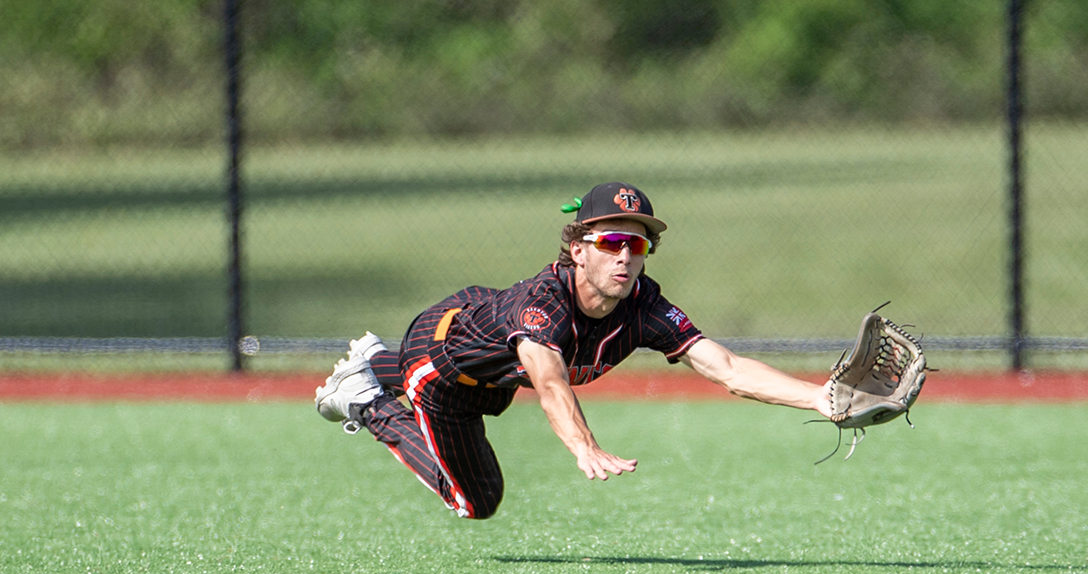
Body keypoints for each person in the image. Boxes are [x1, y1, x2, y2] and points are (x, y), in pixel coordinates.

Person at [315, 181, 834, 519]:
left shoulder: (643, 304)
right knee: (475, 504)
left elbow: (727, 367)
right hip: (444, 370)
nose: (626, 256)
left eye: (638, 245)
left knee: (490, 372)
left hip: (486, 351)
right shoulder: (547, 303)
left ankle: (376, 361)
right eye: (612, 242)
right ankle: (366, 399)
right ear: (579, 249)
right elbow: (549, 382)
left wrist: (818, 398)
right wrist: (583, 443)